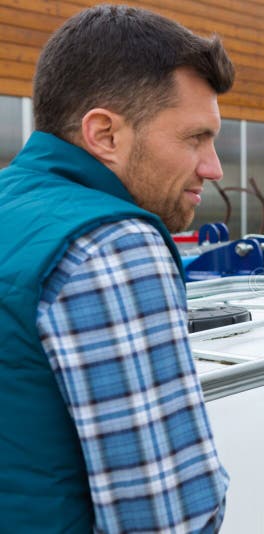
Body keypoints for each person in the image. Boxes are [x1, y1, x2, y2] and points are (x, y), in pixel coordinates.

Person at [0, 6, 234, 532]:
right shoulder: (111, 246)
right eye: (194, 137)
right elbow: (166, 516)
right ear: (104, 134)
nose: (213, 167)